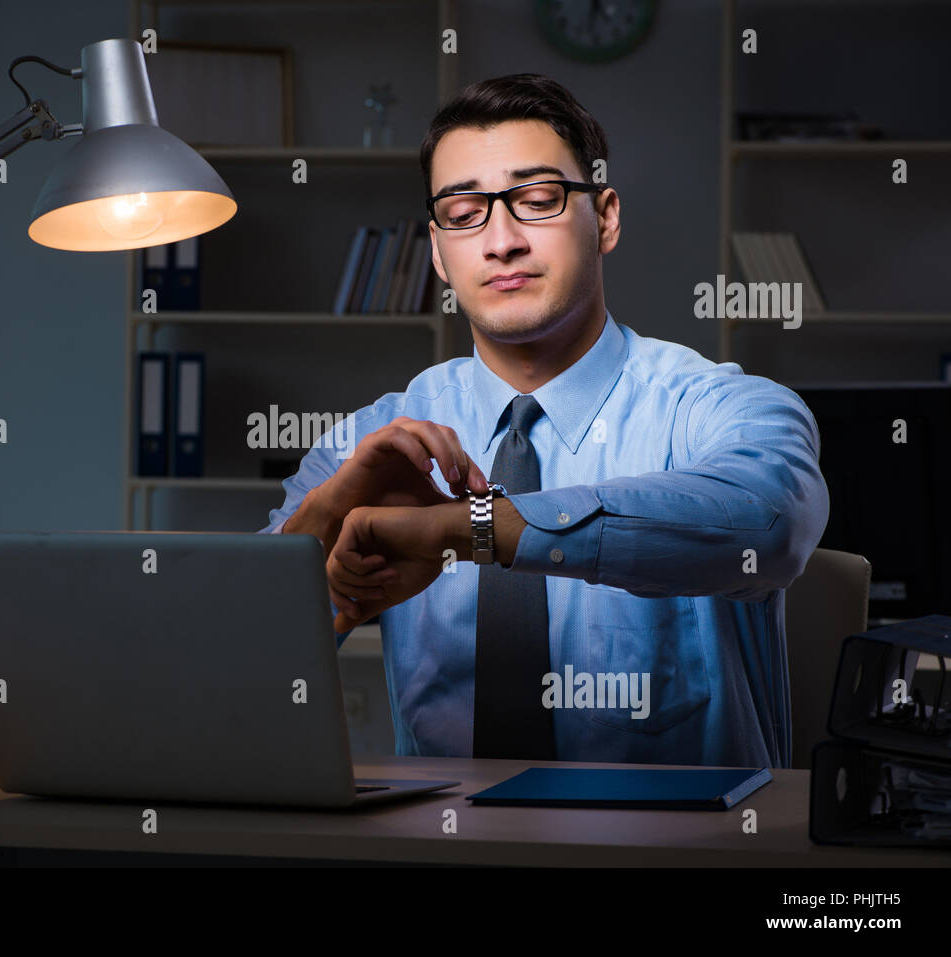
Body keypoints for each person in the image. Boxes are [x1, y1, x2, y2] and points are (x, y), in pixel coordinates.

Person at [258, 73, 829, 768]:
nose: (501, 241)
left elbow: (772, 523)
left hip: (675, 830)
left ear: (605, 218)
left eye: (536, 201)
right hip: (442, 829)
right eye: (464, 212)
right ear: (438, 252)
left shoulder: (716, 407)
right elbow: (233, 670)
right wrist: (322, 526)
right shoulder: (371, 444)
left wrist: (465, 529)